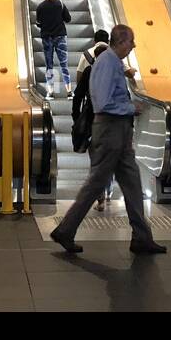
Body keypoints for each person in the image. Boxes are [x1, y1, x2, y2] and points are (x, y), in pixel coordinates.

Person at [50, 24, 166, 255]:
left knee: (132, 184)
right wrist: (130, 107)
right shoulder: (107, 63)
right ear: (121, 41)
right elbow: (103, 103)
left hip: (120, 133)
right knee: (96, 183)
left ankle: (141, 237)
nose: (133, 46)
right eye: (131, 41)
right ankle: (65, 229)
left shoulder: (114, 63)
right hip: (110, 130)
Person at [72, 31, 114, 211]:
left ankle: (100, 196)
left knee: (96, 159)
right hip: (113, 121)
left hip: (93, 119)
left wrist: (76, 116)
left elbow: (78, 95)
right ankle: (107, 189)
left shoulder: (90, 70)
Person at [35, 0, 73, 96]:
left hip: (47, 37)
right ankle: (69, 90)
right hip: (60, 36)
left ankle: (51, 91)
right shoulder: (60, 4)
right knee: (64, 64)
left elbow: (38, 23)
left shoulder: (40, 7)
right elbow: (68, 19)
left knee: (49, 65)